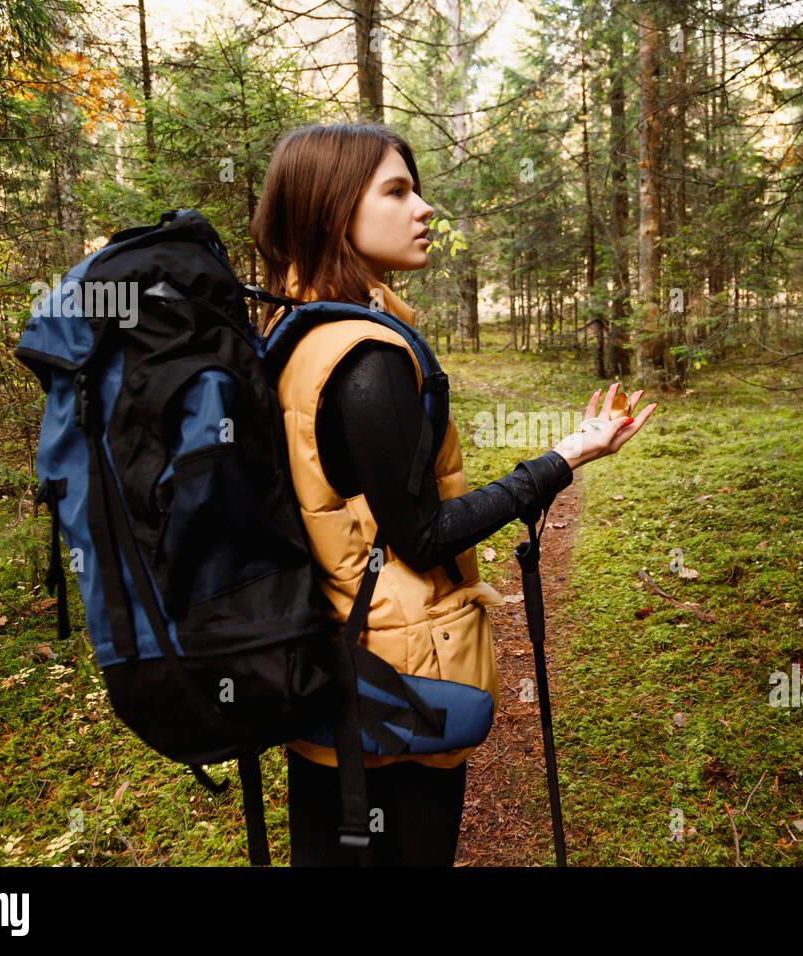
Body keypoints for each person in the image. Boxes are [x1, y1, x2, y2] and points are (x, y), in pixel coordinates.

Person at [249, 123, 657, 866]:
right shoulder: (366, 358)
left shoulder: (290, 331)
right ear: (335, 207)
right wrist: (565, 457)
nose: (425, 208)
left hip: (323, 667)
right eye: (397, 191)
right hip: (392, 683)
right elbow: (427, 535)